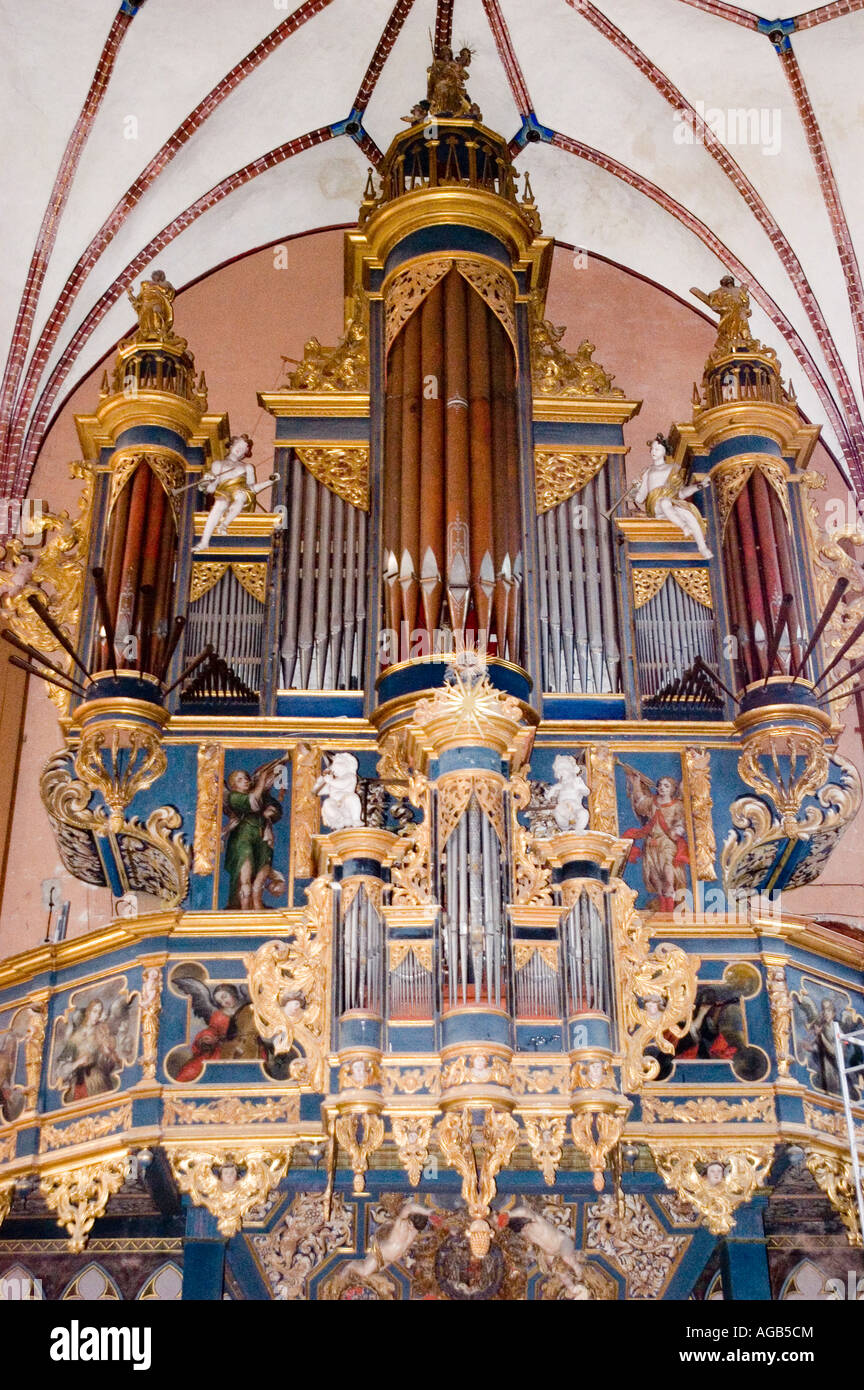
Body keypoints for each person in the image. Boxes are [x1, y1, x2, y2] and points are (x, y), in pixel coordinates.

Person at [223, 757, 288, 909]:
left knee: (259, 881)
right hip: (242, 837)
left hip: (262, 838)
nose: (245, 781)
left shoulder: (262, 796)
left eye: (246, 778)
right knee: (245, 879)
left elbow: (275, 808)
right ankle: (244, 912)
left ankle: (257, 909)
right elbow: (252, 802)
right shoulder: (234, 797)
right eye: (240, 780)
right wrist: (262, 779)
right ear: (233, 785)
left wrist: (271, 812)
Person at [194, 436, 278, 551]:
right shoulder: (218, 464)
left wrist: (269, 482)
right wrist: (206, 481)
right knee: (220, 504)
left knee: (240, 494)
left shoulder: (247, 467)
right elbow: (211, 489)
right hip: (224, 493)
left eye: (243, 448)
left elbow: (252, 489)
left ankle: (224, 524)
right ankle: (204, 542)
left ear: (245, 453)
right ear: (231, 445)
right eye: (239, 445)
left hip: (242, 496)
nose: (240, 448)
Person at [634, 435, 712, 558]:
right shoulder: (648, 471)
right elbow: (640, 498)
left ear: (665, 452)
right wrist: (635, 489)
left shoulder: (673, 469)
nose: (653, 452)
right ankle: (684, 527)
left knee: (688, 514)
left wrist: (699, 486)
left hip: (670, 504)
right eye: (652, 449)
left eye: (657, 449)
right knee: (665, 502)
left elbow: (681, 493)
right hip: (655, 505)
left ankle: (702, 547)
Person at [623, 770, 689, 911]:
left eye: (666, 786)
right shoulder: (652, 801)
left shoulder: (677, 805)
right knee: (653, 873)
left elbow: (681, 821)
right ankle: (662, 903)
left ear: (672, 789)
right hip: (651, 842)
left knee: (667, 865)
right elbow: (640, 803)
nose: (662, 788)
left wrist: (676, 830)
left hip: (666, 840)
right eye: (660, 785)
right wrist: (635, 783)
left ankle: (670, 892)